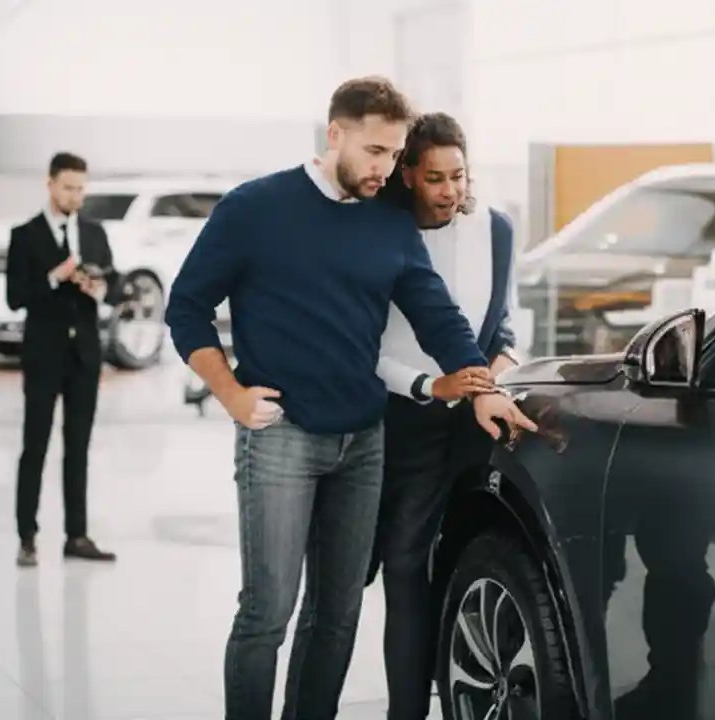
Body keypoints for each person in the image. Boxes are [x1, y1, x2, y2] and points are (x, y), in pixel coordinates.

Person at [163, 76, 537, 720]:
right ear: (334, 134)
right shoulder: (255, 207)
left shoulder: (387, 221)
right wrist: (228, 392)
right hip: (281, 434)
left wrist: (481, 388)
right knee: (267, 611)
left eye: (393, 155)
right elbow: (186, 308)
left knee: (337, 614)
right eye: (374, 152)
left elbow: (438, 315)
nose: (383, 169)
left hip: (364, 439)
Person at [368, 112, 521, 720]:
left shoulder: (497, 230)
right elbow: (362, 340)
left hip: (467, 425)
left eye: (458, 176)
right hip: (391, 418)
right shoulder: (378, 230)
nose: (450, 191)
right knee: (386, 569)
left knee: (445, 564)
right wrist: (430, 384)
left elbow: (500, 329)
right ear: (406, 175)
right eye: (435, 178)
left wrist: (492, 377)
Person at [5, 152, 120, 567]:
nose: (76, 196)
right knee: (34, 445)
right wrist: (55, 276)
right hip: (43, 355)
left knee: (79, 447)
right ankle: (27, 536)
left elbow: (115, 283)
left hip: (84, 356)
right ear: (50, 184)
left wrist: (99, 289)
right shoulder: (25, 235)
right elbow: (15, 297)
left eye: (81, 188)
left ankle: (77, 535)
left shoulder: (94, 232)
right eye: (69, 187)